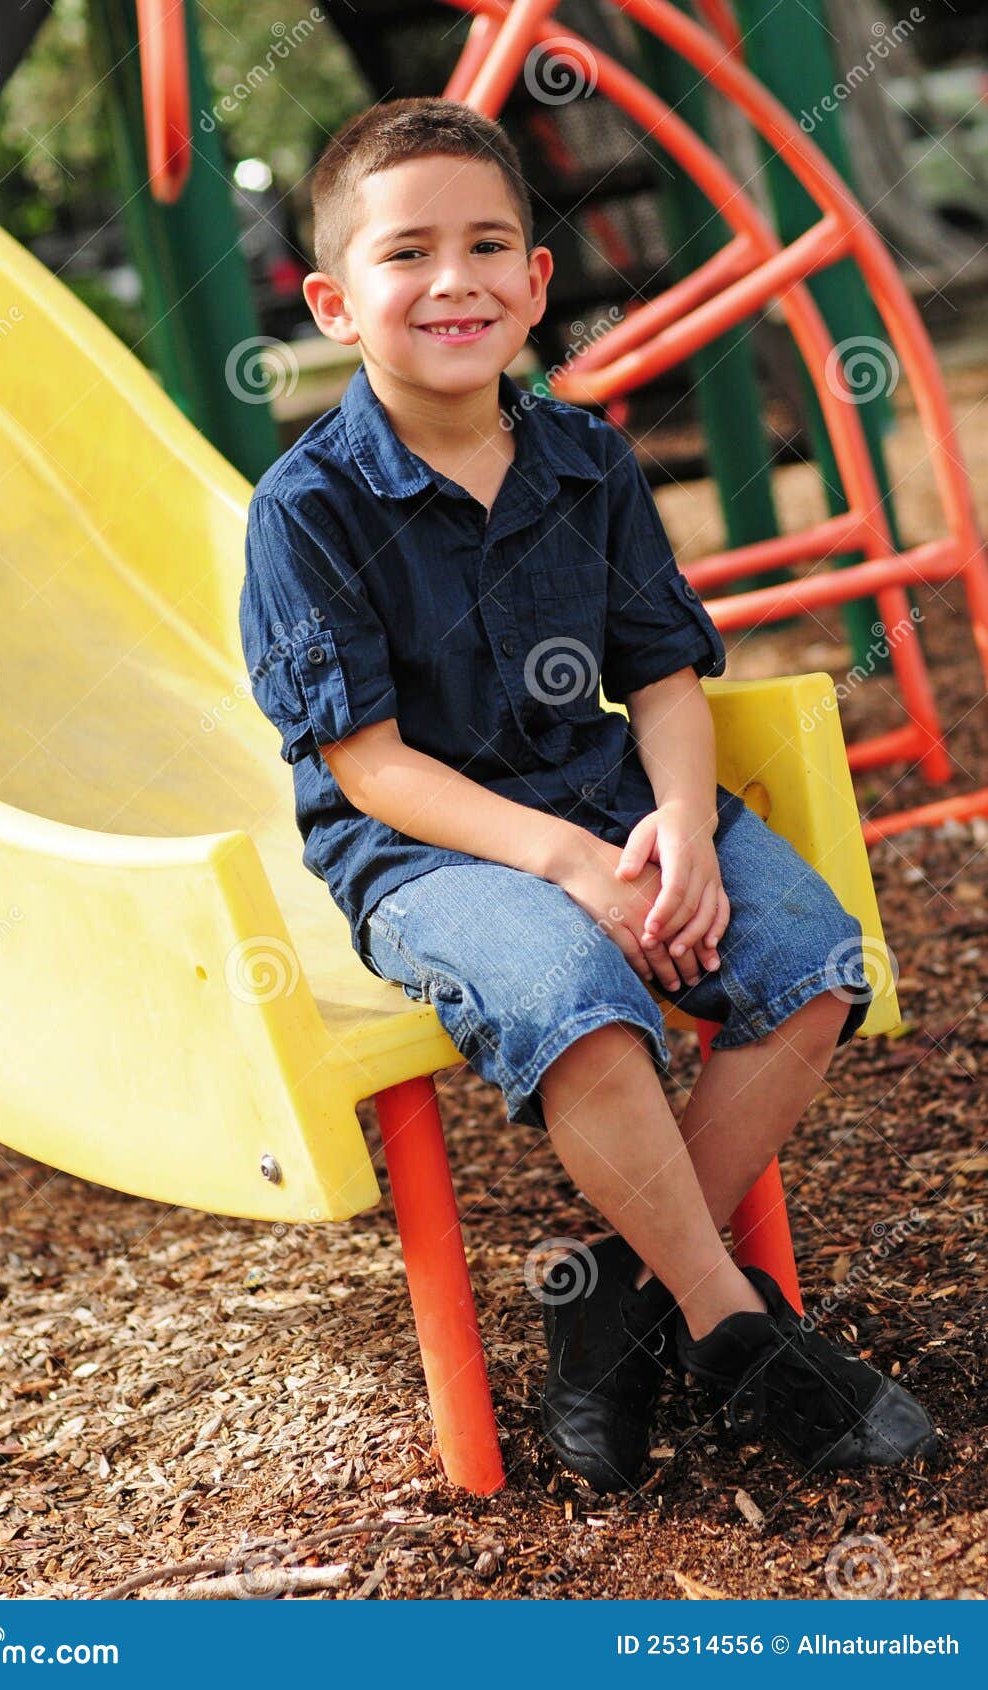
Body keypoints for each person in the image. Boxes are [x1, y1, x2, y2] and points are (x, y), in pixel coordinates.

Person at [238, 95, 940, 1493]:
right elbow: (370, 766)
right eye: (406, 253)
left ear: (535, 279)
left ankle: (615, 1292)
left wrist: (679, 821)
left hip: (608, 794)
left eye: (488, 244)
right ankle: (731, 1326)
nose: (454, 280)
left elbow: (662, 677)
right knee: (576, 991)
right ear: (333, 302)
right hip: (425, 850)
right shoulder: (307, 511)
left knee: (811, 956)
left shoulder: (588, 460)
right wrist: (567, 864)